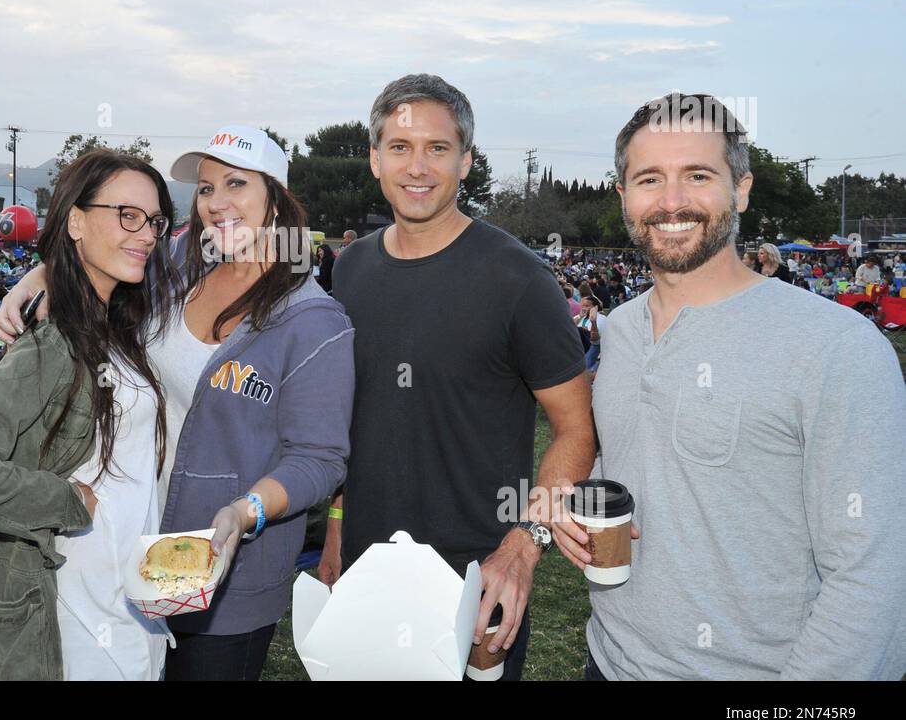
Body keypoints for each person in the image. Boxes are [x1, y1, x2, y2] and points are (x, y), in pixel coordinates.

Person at [0, 127, 355, 681]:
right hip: (121, 538)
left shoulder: (313, 321)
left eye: (236, 184)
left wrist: (245, 512)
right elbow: (104, 252)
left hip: (219, 570)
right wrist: (33, 278)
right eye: (206, 188)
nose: (216, 203)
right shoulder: (182, 262)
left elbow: (319, 458)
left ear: (276, 200)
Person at [573, 92, 906, 681]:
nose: (672, 201)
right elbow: (637, 463)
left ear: (742, 189)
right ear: (625, 196)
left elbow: (873, 576)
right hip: (608, 660)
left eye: (698, 175)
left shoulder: (837, 348)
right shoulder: (620, 330)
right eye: (650, 179)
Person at [323, 74, 594, 681]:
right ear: (374, 159)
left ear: (466, 160)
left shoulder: (519, 279)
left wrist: (523, 547)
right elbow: (349, 413)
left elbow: (576, 429)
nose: (417, 167)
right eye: (399, 147)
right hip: (369, 571)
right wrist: (338, 526)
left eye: (438, 149)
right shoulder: (352, 269)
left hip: (477, 582)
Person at [0, 150, 174, 681]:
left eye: (154, 220)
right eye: (126, 215)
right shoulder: (51, 342)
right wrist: (67, 500)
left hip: (135, 596)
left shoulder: (119, 326)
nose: (145, 233)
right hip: (70, 602)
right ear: (75, 220)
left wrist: (39, 274)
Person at [576, 294, 604, 372]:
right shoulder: (580, 317)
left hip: (591, 351)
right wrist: (580, 316)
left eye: (587, 306)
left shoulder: (601, 319)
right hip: (579, 350)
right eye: (582, 306)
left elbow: (597, 340)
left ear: (595, 307)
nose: (584, 308)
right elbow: (570, 327)